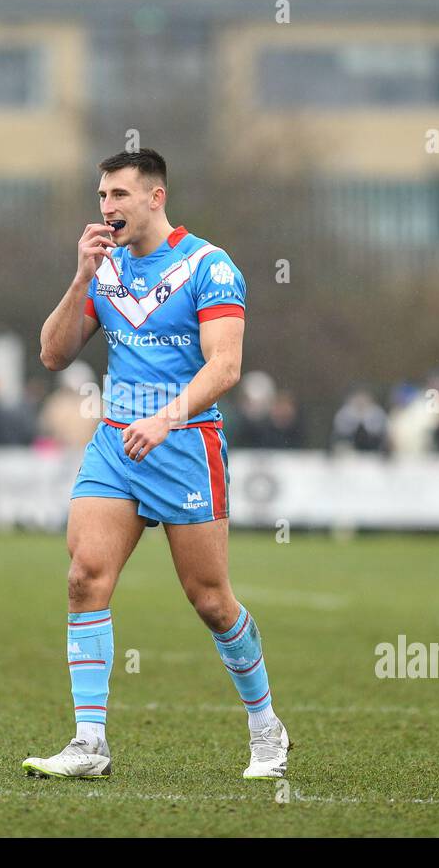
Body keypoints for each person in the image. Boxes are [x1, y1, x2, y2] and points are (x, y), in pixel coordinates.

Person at [27, 147, 289, 780]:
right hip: (117, 443)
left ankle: (265, 727)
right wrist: (80, 277)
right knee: (84, 577)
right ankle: (90, 742)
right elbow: (53, 355)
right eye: (101, 197)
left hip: (185, 445)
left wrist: (165, 418)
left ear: (155, 197)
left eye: (119, 194)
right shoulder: (106, 267)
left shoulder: (209, 266)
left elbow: (224, 366)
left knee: (210, 600)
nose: (107, 208)